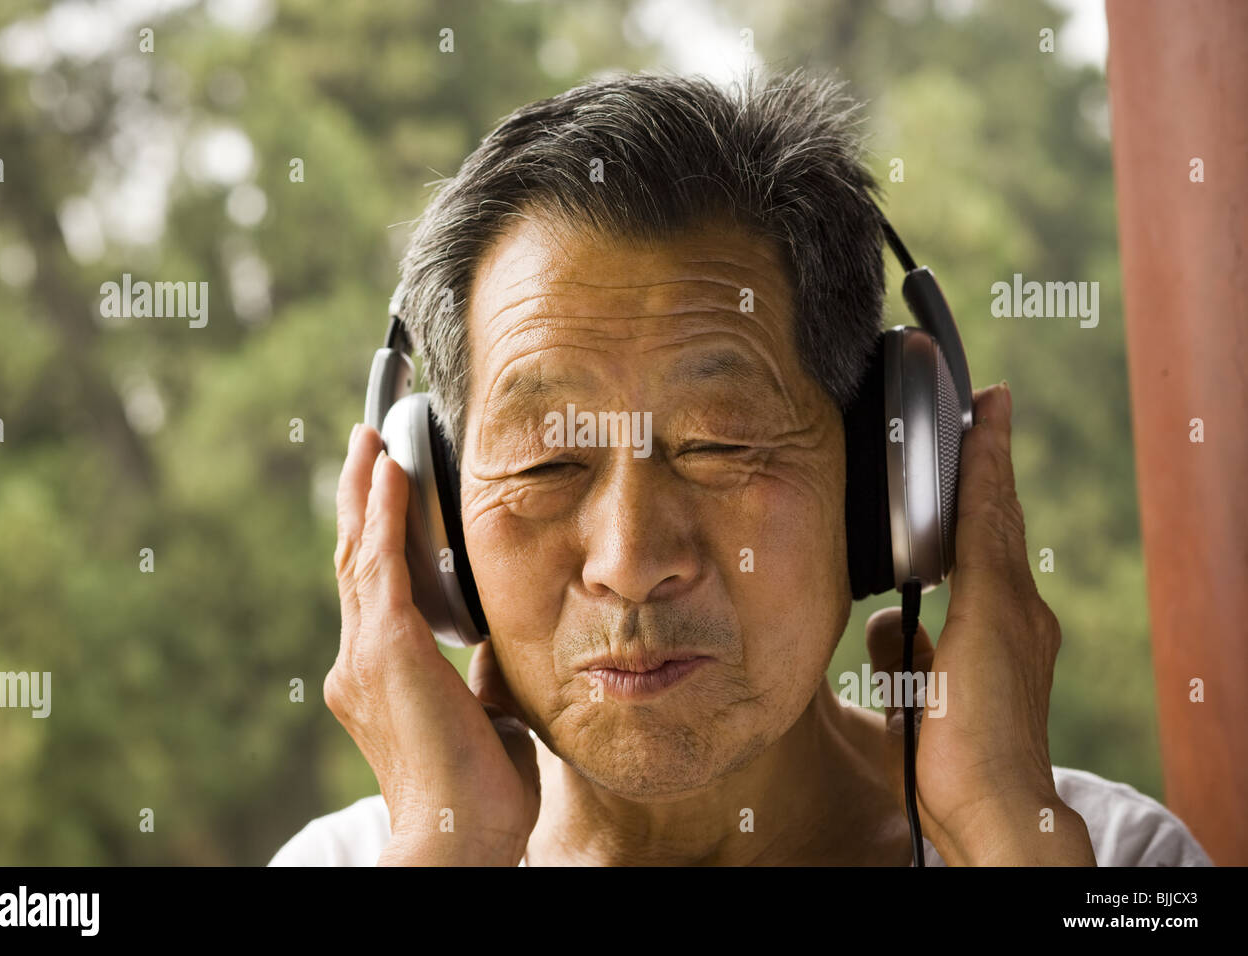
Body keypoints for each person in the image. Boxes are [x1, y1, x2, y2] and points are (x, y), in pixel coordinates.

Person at [271, 70, 1211, 867]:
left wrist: (1006, 829)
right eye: (548, 460)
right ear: (430, 515)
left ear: (892, 484)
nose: (631, 560)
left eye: (719, 445)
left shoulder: (1113, 857)